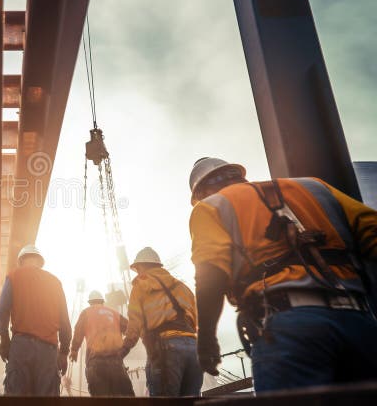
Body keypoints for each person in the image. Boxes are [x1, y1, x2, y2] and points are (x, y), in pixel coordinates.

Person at [188, 157, 377, 392]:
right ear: (238, 175)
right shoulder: (315, 187)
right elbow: (372, 232)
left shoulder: (210, 207)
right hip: (360, 324)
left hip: (288, 326)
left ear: (202, 192)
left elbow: (210, 272)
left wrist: (206, 341)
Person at [120, 247, 202, 397]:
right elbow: (197, 321)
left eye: (138, 269)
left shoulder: (142, 285)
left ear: (142, 266)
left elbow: (134, 326)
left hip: (165, 350)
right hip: (193, 350)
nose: (138, 273)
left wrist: (122, 351)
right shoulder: (182, 287)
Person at [0, 244, 71, 396]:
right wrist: (63, 353)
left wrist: (4, 340)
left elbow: (2, 311)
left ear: (21, 261)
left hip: (21, 348)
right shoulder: (55, 282)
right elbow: (65, 322)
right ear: (40, 262)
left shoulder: (13, 276)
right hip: (48, 351)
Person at [71, 290, 134, 396]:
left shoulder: (86, 312)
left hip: (96, 362)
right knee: (126, 399)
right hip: (116, 362)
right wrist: (125, 348)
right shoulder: (114, 313)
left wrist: (74, 350)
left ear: (90, 302)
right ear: (102, 301)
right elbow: (132, 330)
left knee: (100, 399)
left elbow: (78, 331)